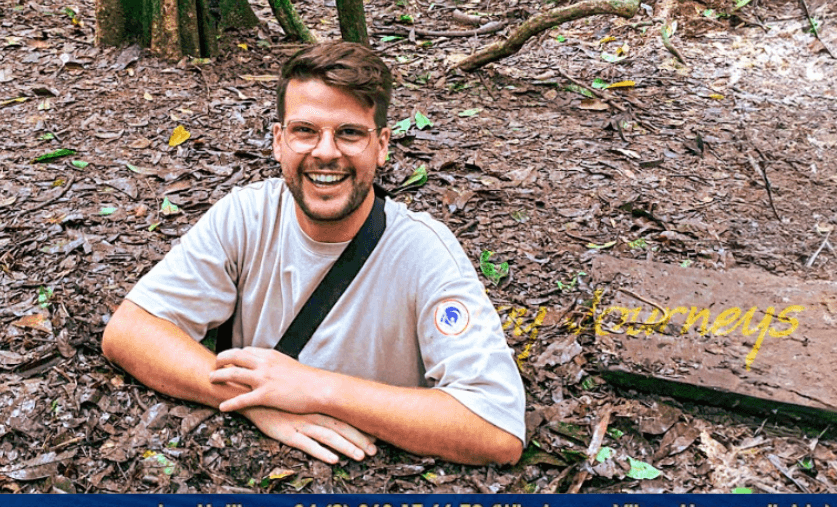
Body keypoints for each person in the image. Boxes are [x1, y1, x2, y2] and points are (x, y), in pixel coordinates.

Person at [102, 42, 525, 466]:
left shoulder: (424, 254)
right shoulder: (248, 215)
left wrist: (313, 389)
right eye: (305, 131)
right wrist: (256, 401)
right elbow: (131, 330)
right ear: (278, 140)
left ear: (381, 146)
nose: (326, 151)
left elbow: (496, 428)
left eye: (350, 133)